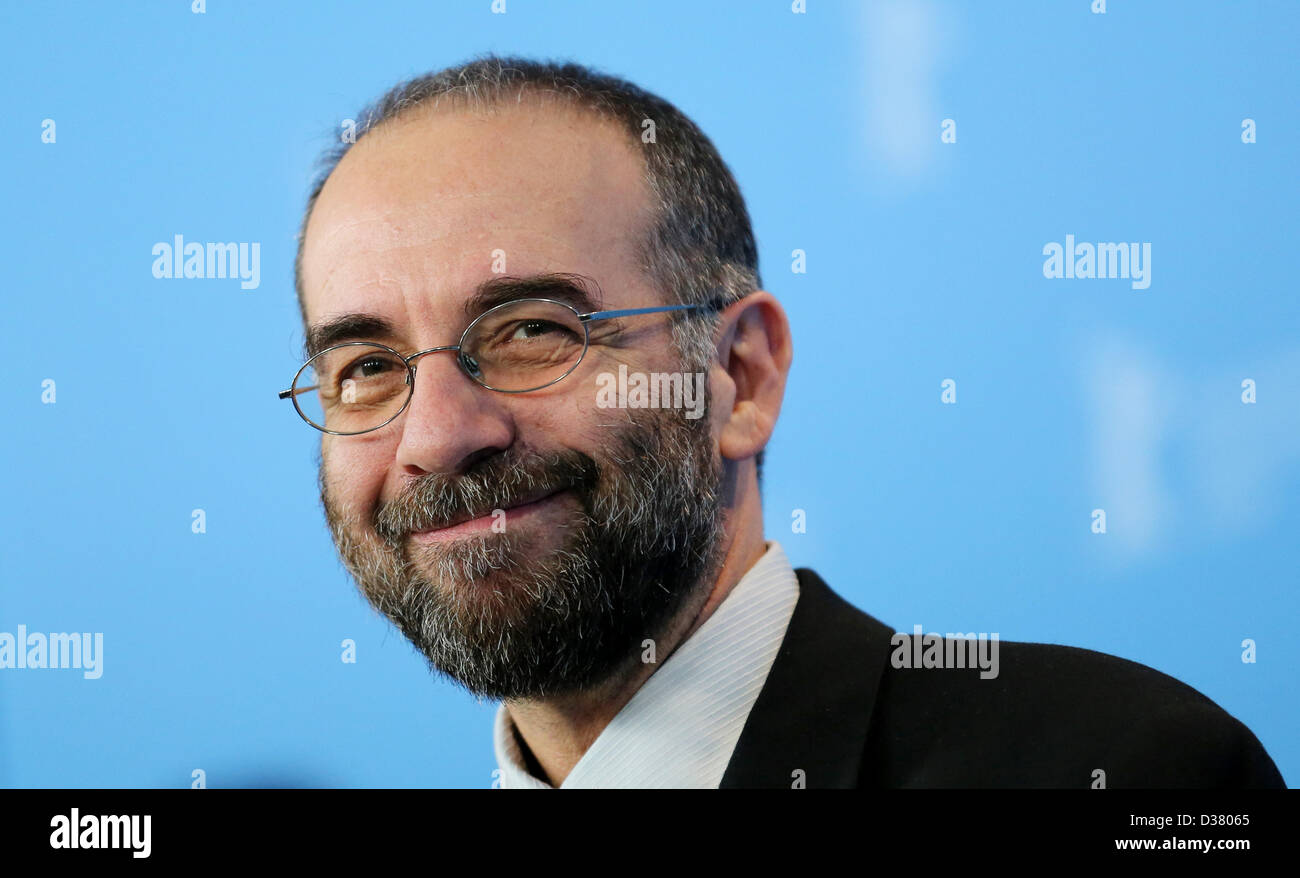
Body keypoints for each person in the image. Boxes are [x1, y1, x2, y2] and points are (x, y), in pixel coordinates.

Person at [282, 55, 1284, 788]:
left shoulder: (1124, 770)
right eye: (366, 368)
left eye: (530, 331)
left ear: (739, 374)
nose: (436, 436)